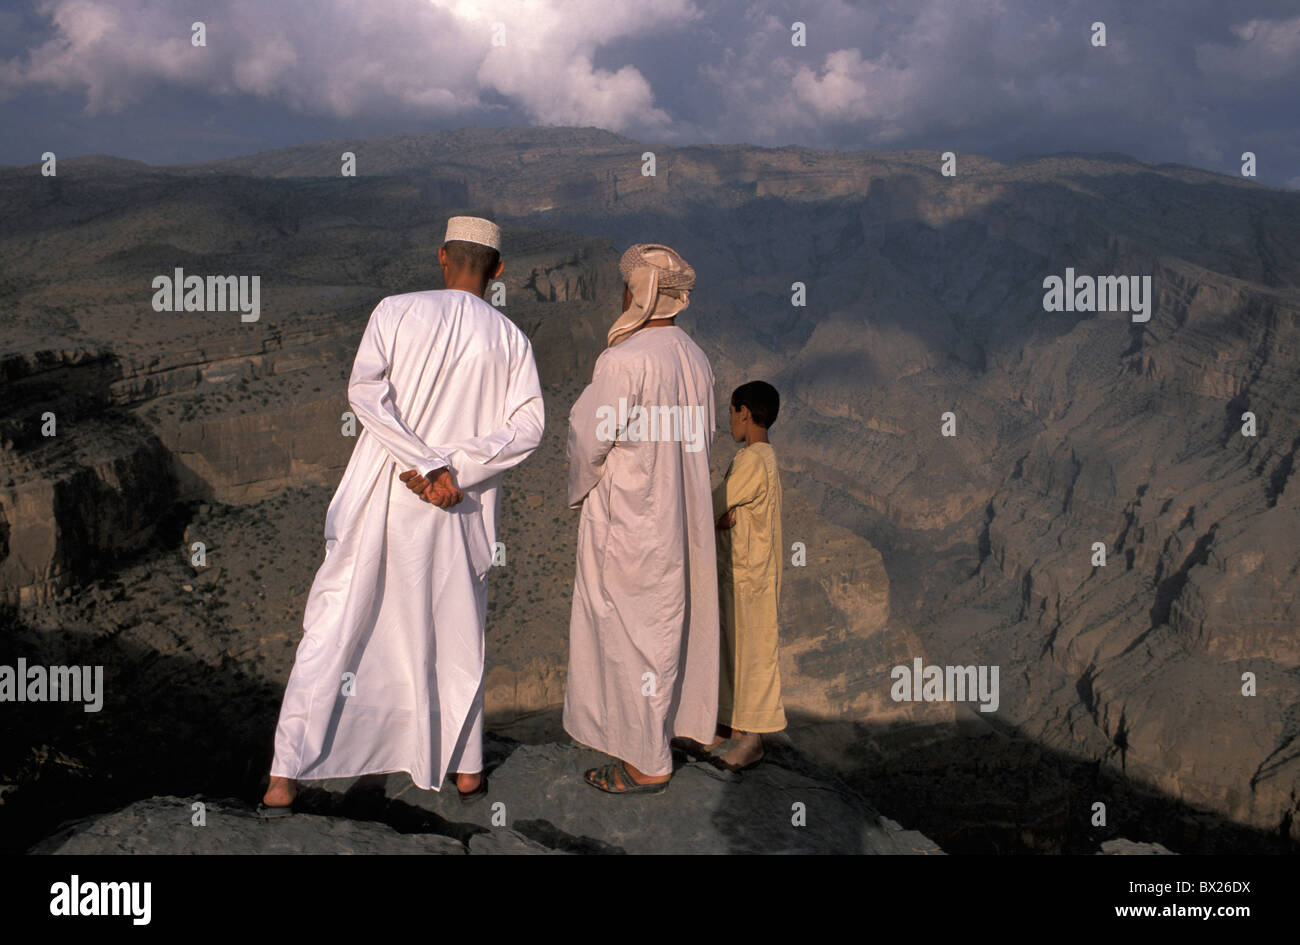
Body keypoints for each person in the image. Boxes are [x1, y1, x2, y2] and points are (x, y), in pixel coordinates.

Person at [262, 216, 543, 812]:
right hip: (457, 509)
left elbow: (366, 392)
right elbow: (529, 428)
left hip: (385, 492)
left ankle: (285, 777)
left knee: (341, 623)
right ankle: (465, 770)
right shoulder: (511, 339)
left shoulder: (395, 309)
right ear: (498, 271)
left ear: (442, 257)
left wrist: (424, 463)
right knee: (455, 630)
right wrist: (454, 471)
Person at [563, 243, 719, 795]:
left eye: (628, 285)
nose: (622, 294)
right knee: (669, 625)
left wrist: (584, 489)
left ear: (642, 294)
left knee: (632, 635)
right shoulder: (694, 357)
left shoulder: (625, 361)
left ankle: (648, 761)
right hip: (682, 519)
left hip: (632, 521)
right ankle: (669, 728)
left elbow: (587, 438)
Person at [704, 381, 786, 772]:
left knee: (752, 654)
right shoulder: (763, 458)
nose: (730, 422)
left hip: (749, 579)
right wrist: (723, 518)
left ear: (744, 412)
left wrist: (719, 516)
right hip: (744, 575)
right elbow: (726, 513)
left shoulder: (753, 460)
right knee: (735, 651)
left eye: (732, 413)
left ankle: (752, 740)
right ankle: (732, 729)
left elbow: (715, 504)